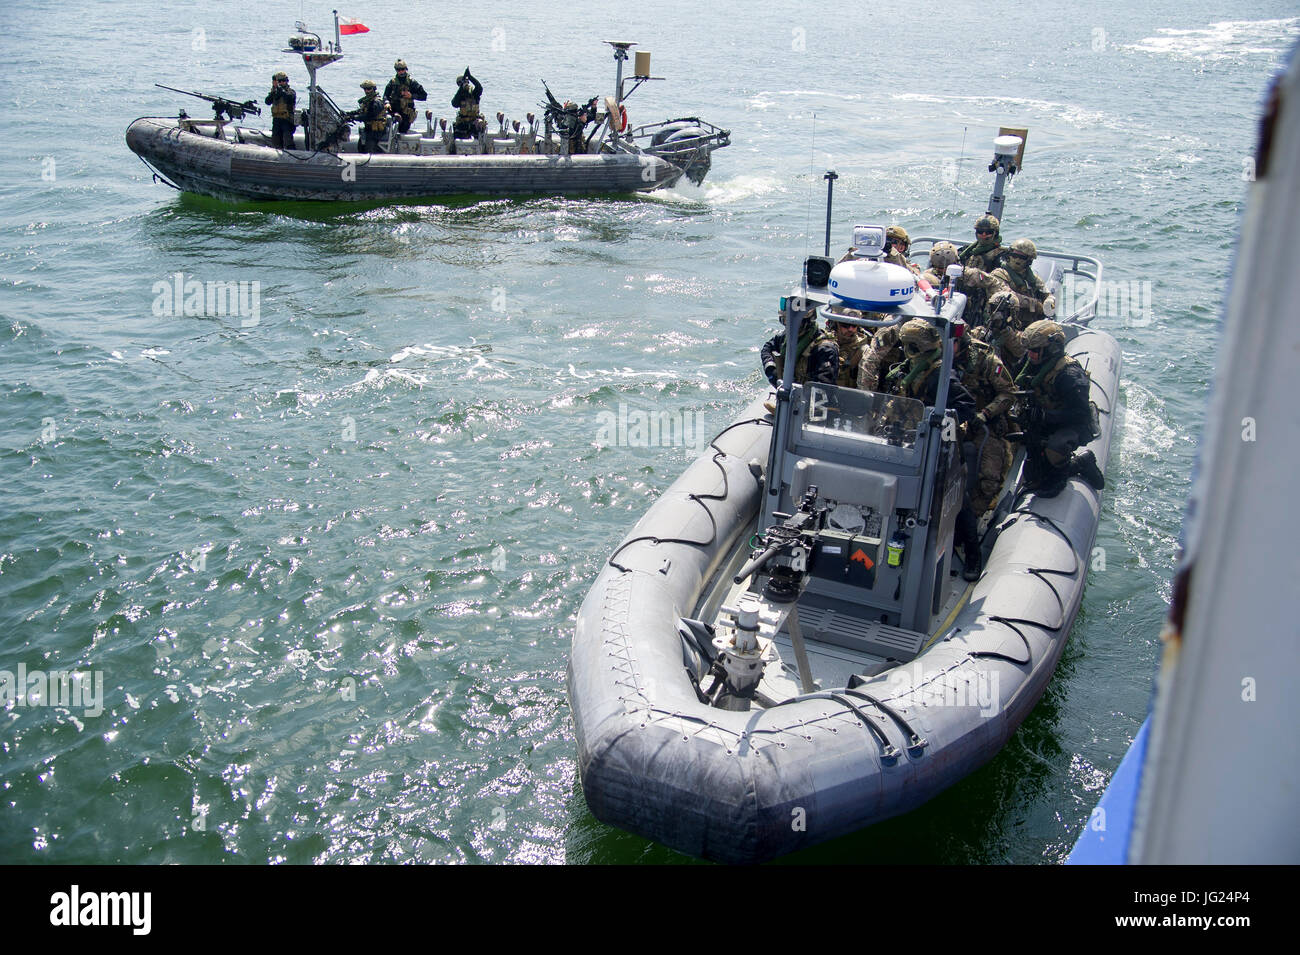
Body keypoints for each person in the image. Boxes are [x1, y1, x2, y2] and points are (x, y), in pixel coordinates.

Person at [1013, 320, 1105, 498]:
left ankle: (1076, 466)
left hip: (1071, 424)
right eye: (1029, 350)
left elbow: (1080, 414)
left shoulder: (1068, 375)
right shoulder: (1033, 364)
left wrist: (1044, 416)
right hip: (1047, 420)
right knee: (1034, 474)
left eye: (1034, 350)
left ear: (1050, 349)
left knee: (1055, 450)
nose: (1030, 355)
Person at [761, 304, 839, 387]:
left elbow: (824, 385)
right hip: (787, 390)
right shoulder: (786, 338)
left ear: (807, 321)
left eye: (794, 322)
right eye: (786, 321)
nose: (790, 326)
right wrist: (771, 369)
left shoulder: (825, 349)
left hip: (808, 396)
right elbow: (767, 348)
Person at [991, 238, 1056, 324]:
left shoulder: (1032, 278)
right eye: (1014, 255)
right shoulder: (999, 274)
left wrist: (1049, 300)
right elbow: (1008, 296)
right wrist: (1035, 304)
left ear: (1029, 260)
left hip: (1029, 322)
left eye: (1022, 257)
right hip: (1007, 323)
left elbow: (1046, 293)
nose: (1017, 259)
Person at [824, 311, 870, 389]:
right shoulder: (824, 344)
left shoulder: (862, 350)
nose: (851, 329)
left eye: (854, 325)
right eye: (846, 325)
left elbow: (866, 385)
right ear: (836, 325)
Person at [384, 59, 427, 134]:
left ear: (405, 69)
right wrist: (387, 103)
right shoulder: (392, 82)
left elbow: (424, 96)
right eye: (398, 70)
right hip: (394, 111)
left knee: (402, 131)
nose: (400, 71)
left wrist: (411, 96)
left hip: (406, 114)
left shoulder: (412, 82)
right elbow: (385, 95)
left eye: (402, 69)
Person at [353, 80, 389, 153]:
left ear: (374, 89)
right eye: (365, 89)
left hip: (376, 131)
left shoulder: (376, 102)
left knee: (368, 148)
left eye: (369, 89)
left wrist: (356, 118)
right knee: (360, 146)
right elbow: (361, 111)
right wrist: (350, 114)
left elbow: (369, 116)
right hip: (369, 129)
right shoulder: (368, 101)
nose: (366, 91)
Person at [265, 71, 297, 150]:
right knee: (276, 140)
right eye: (279, 81)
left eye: (283, 81)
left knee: (288, 140)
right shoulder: (275, 92)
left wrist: (279, 89)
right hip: (277, 120)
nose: (282, 83)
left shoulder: (291, 92)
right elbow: (267, 101)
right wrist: (274, 91)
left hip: (287, 120)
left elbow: (288, 98)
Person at [451, 68, 485, 140]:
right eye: (461, 83)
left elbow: (479, 87)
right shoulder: (460, 95)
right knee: (458, 131)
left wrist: (470, 77)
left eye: (466, 82)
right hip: (463, 123)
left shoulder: (474, 93)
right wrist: (461, 89)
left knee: (479, 126)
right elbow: (454, 104)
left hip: (474, 122)